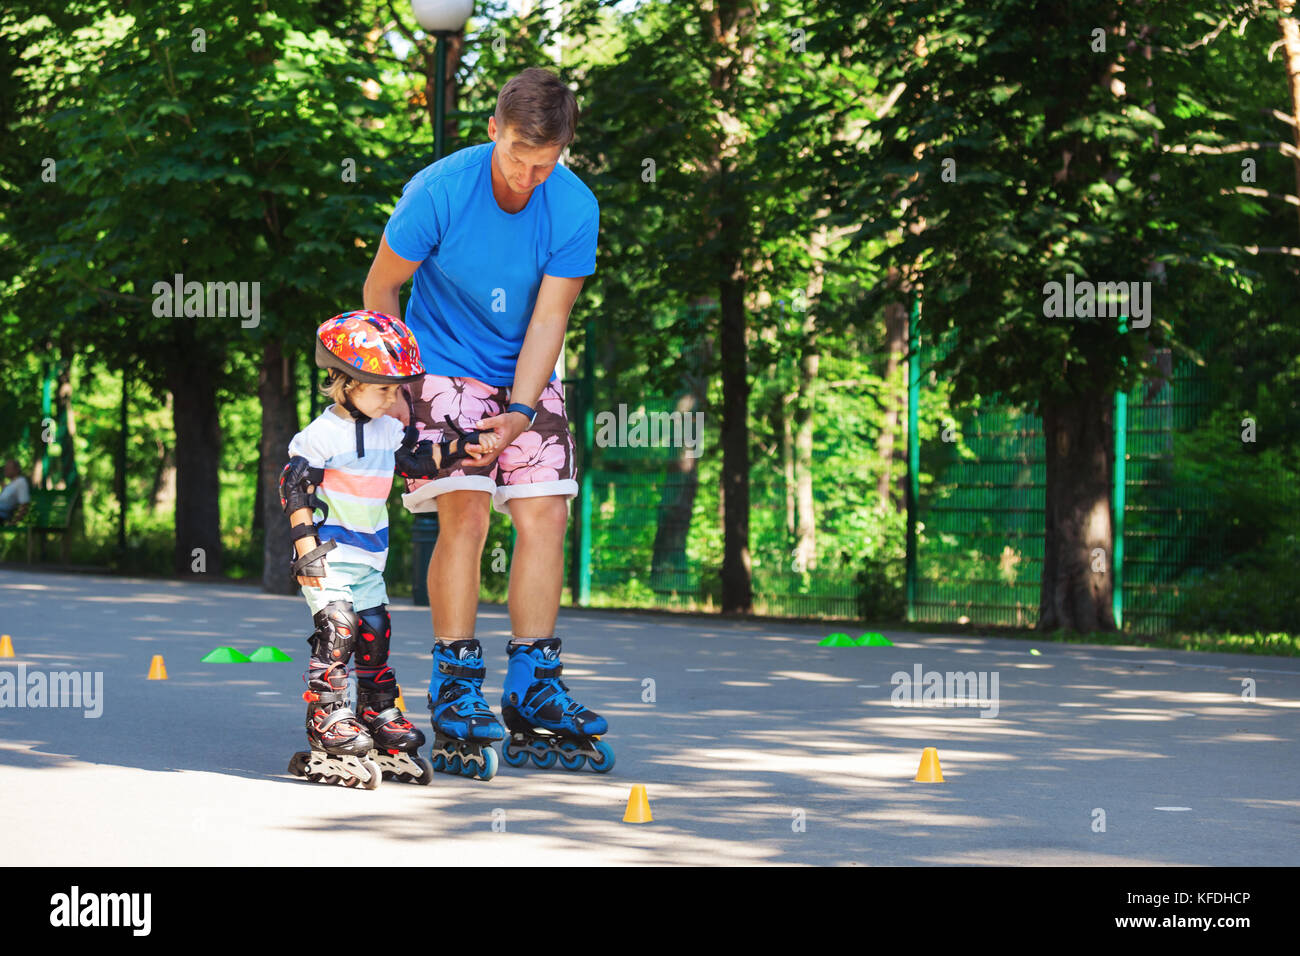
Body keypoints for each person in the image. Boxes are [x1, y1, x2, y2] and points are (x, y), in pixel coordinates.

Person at [361, 67, 613, 775]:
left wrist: (523, 411)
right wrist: (398, 388)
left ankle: (534, 684)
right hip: (440, 365)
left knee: (546, 514)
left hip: (526, 371)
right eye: (519, 158)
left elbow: (551, 317)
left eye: (546, 163)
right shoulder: (438, 191)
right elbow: (381, 286)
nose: (530, 177)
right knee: (466, 514)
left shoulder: (574, 206)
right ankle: (455, 684)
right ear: (494, 129)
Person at [280, 310, 486, 787]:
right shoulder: (321, 435)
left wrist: (463, 448)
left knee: (374, 632)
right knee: (339, 630)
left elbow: (415, 461)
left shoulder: (386, 429)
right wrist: (305, 547)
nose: (392, 399)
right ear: (344, 381)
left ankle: (376, 712)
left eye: (396, 390)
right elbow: (294, 487)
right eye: (382, 389)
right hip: (328, 554)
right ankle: (328, 718)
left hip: (370, 556)